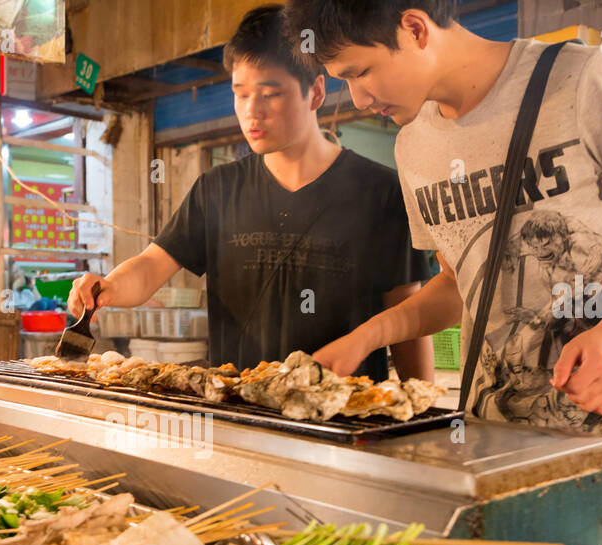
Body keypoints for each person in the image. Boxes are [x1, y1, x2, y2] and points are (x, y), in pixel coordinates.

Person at [285, 0, 602, 509]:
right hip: (492, 449)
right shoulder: (414, 148)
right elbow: (456, 287)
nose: (359, 99)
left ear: (414, 28)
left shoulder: (583, 79)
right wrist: (366, 337)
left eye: (359, 73)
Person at [68, 4, 434, 383]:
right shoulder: (217, 190)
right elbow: (150, 267)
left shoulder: (381, 192)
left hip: (345, 423)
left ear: (316, 92)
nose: (251, 113)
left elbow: (406, 315)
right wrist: (108, 286)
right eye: (240, 94)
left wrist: (423, 413)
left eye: (269, 94)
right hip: (241, 415)